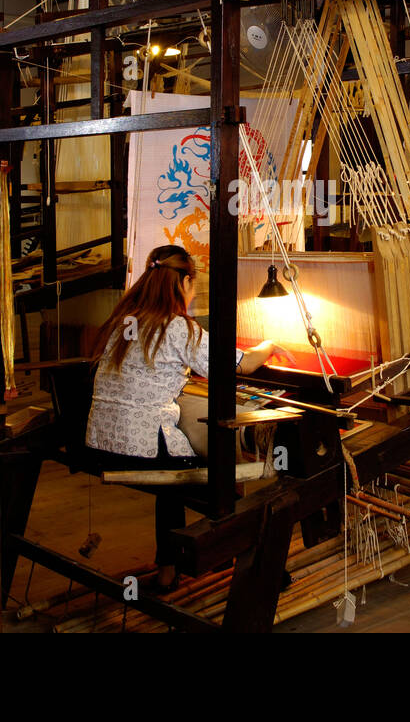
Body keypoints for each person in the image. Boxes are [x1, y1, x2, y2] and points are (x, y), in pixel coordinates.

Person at [86, 244, 294, 590]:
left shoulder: (125, 321)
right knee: (218, 485)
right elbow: (240, 365)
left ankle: (169, 570)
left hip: (101, 441)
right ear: (183, 282)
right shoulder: (179, 328)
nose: (193, 291)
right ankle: (257, 563)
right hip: (143, 449)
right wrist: (269, 345)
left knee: (173, 485)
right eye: (193, 283)